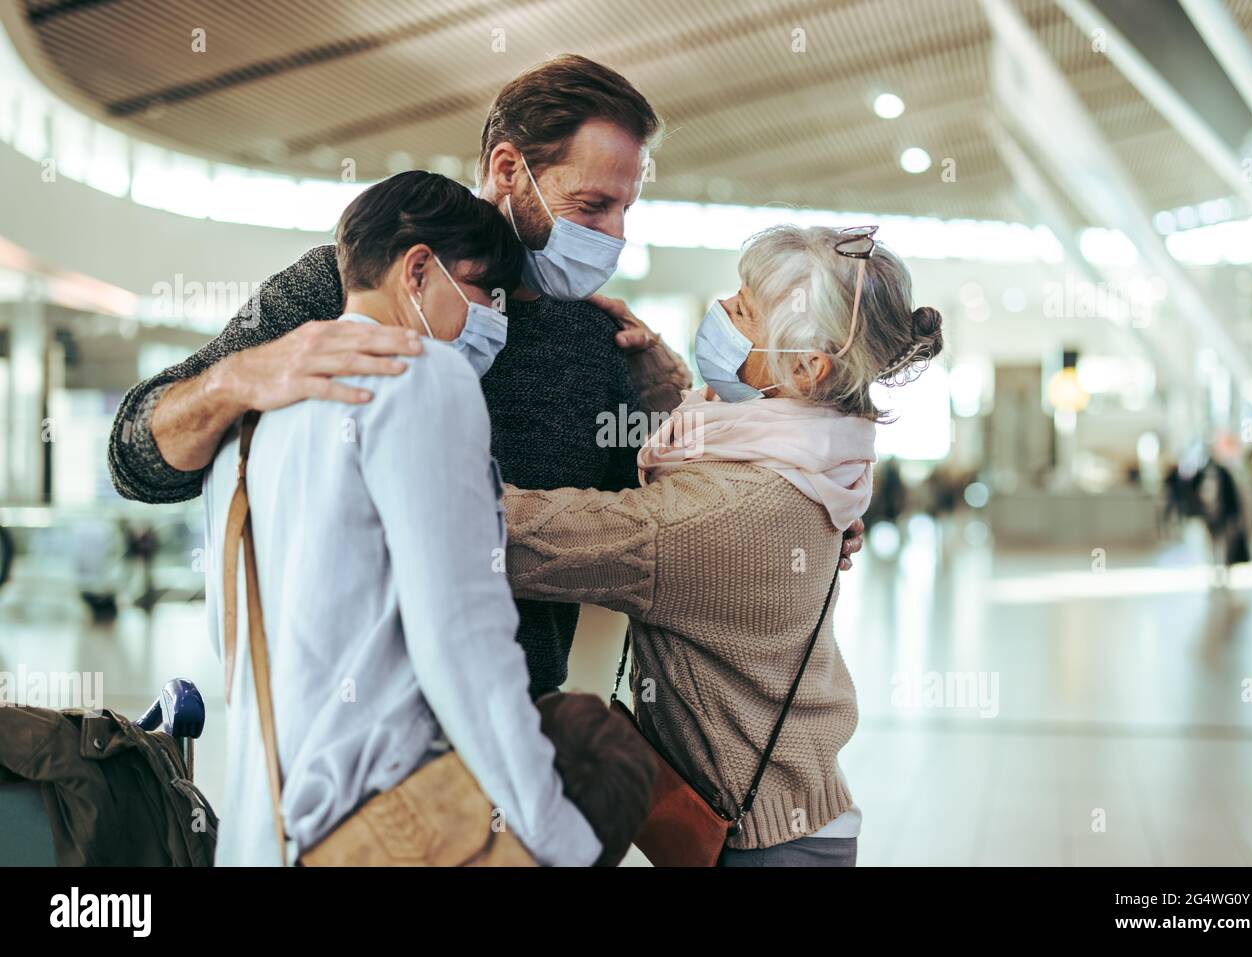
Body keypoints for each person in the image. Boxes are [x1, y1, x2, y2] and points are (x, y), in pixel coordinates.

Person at [107, 53, 863, 697]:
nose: (613, 238)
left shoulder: (600, 339)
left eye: (626, 210)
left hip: (519, 724)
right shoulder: (342, 287)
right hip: (339, 720)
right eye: (591, 206)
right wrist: (236, 380)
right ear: (509, 169)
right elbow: (136, 459)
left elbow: (650, 531)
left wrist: (786, 507)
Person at [501, 224, 944, 866]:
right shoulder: (821, 451)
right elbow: (710, 431)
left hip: (759, 842)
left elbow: (534, 539)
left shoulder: (733, 509)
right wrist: (652, 362)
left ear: (807, 366)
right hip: (795, 816)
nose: (723, 312)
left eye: (743, 310)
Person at [203, 171, 603, 866]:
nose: (495, 326)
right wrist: (553, 834)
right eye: (484, 295)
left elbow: (231, 636)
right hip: (389, 821)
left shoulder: (256, 415)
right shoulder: (419, 375)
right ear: (418, 270)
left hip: (270, 827)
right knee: (602, 742)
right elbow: (464, 638)